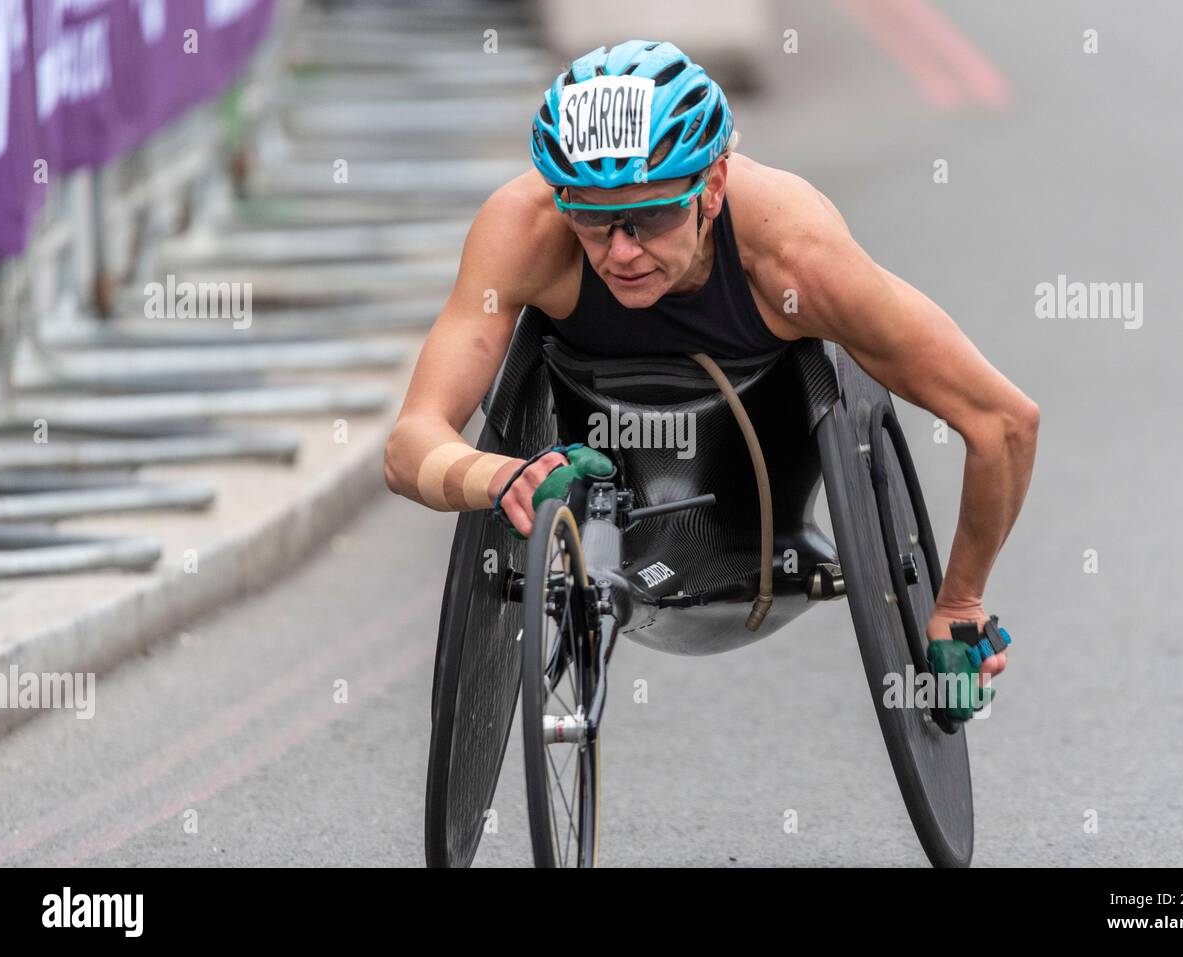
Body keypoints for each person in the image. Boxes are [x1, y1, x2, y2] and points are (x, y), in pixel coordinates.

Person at [384, 40, 1038, 686]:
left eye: (653, 215)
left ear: (715, 185)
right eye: (590, 217)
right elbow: (410, 443)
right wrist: (496, 476)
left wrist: (959, 603)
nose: (622, 252)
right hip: (601, 447)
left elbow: (1003, 420)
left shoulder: (796, 253)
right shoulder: (523, 229)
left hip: (760, 469)